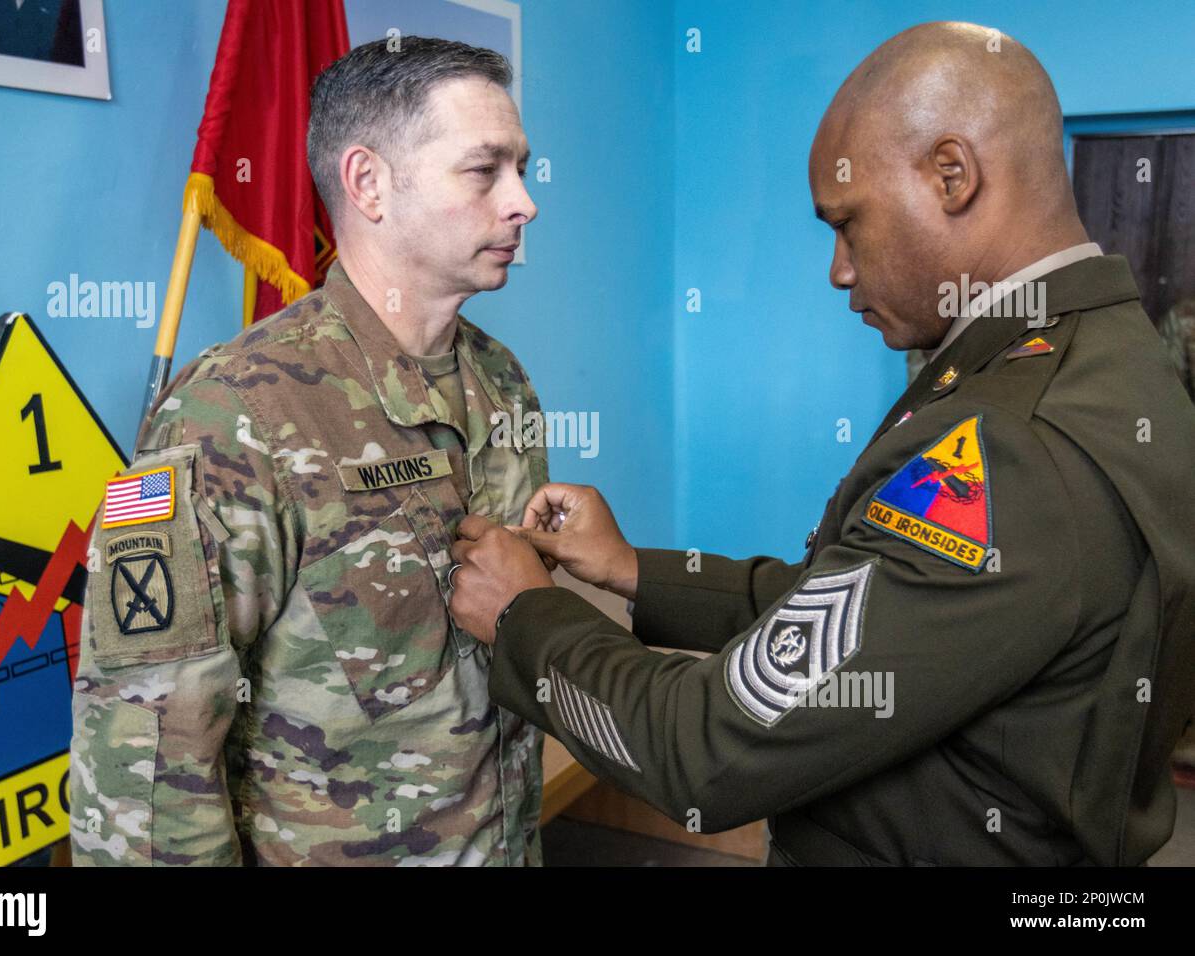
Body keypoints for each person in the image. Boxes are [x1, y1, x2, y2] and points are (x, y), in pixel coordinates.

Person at [447, 22, 1195, 866]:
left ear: (953, 176)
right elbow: (854, 609)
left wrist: (523, 617)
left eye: (849, 222)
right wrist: (632, 570)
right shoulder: (1103, 359)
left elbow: (707, 756)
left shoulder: (1014, 442)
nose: (839, 269)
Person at [69, 36, 548, 866]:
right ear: (368, 183)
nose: (523, 203)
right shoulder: (231, 413)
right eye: (485, 171)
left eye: (523, 169)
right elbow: (143, 771)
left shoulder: (503, 382)